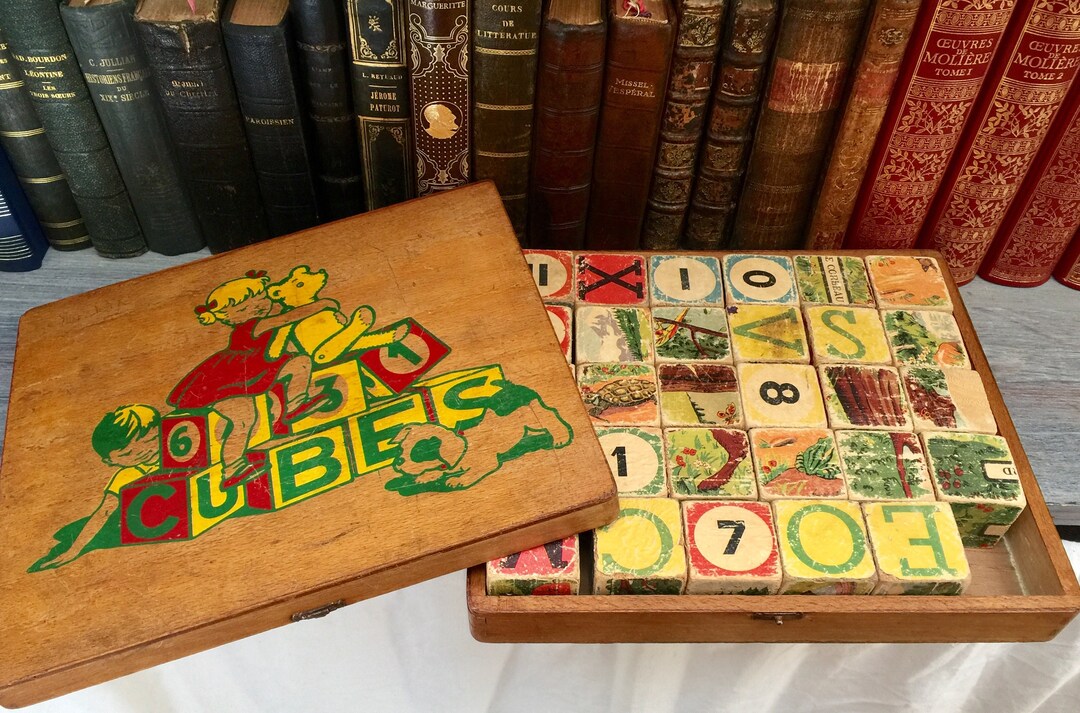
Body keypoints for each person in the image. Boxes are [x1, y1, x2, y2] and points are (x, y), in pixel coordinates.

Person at [167, 271, 335, 484]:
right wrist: (322, 305)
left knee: (300, 362)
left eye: (261, 299)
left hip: (257, 372)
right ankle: (232, 468)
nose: (258, 306)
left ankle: (295, 405)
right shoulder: (250, 327)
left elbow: (282, 338)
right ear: (229, 318)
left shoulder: (263, 320)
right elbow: (287, 318)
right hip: (227, 382)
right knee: (244, 420)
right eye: (245, 308)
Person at [35, 405, 161, 569]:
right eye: (128, 454)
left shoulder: (180, 447)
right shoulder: (126, 477)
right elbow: (104, 512)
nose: (143, 451)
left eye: (152, 440)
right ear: (110, 462)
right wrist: (73, 551)